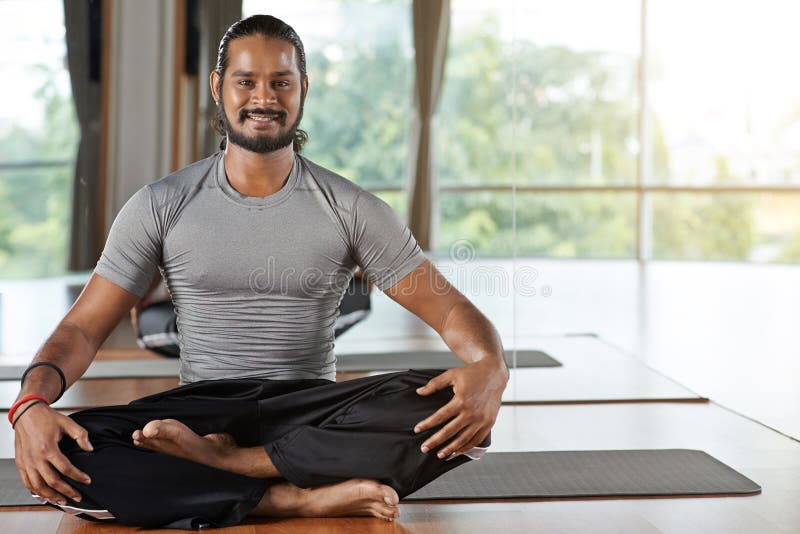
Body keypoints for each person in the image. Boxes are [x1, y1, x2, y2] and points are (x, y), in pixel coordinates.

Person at [10, 14, 508, 528]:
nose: (263, 98)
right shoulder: (160, 204)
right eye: (245, 81)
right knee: (64, 452)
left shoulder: (352, 207)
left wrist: (490, 366)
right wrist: (29, 405)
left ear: (303, 89)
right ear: (218, 87)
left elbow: (450, 310)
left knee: (457, 405)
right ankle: (287, 497)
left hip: (310, 411)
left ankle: (235, 470)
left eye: (281, 82)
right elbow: (82, 327)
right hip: (200, 413)